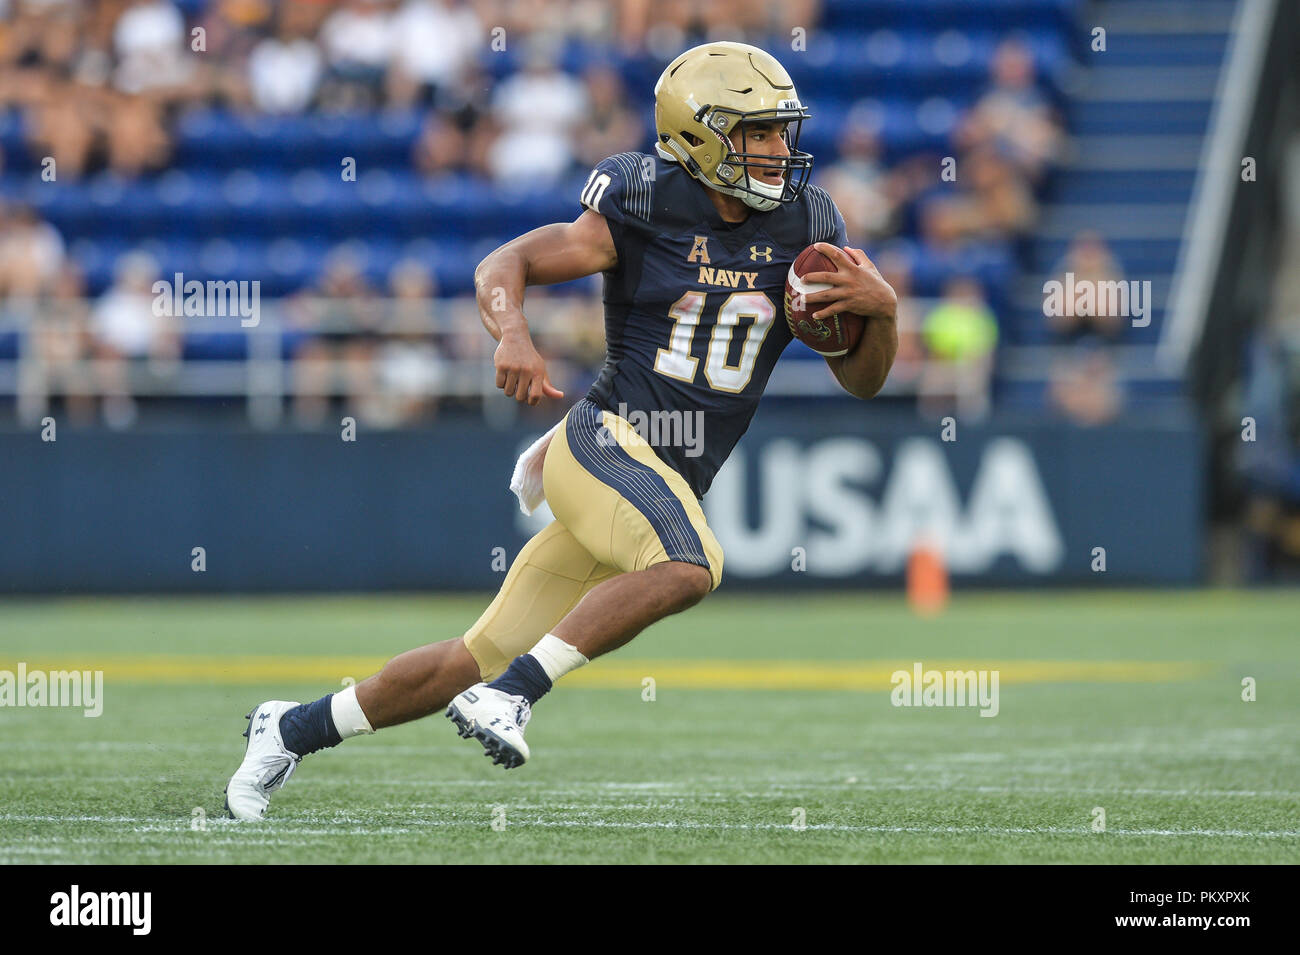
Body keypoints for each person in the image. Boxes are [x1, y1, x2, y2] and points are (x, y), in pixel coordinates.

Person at [224, 41, 899, 820]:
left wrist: (881, 310)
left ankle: (290, 727)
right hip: (604, 439)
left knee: (466, 658)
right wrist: (512, 333)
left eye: (781, 131)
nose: (779, 150)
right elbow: (502, 264)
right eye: (756, 132)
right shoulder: (642, 199)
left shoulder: (807, 222)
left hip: (664, 475)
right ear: (699, 135)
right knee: (690, 562)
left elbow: (865, 378)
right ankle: (515, 696)